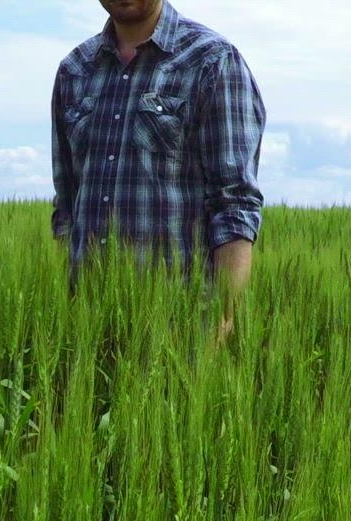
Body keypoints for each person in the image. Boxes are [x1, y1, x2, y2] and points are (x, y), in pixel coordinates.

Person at [51, 0, 265, 342]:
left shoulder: (212, 60)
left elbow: (234, 204)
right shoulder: (74, 70)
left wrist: (224, 317)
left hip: (180, 327)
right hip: (85, 328)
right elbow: (67, 204)